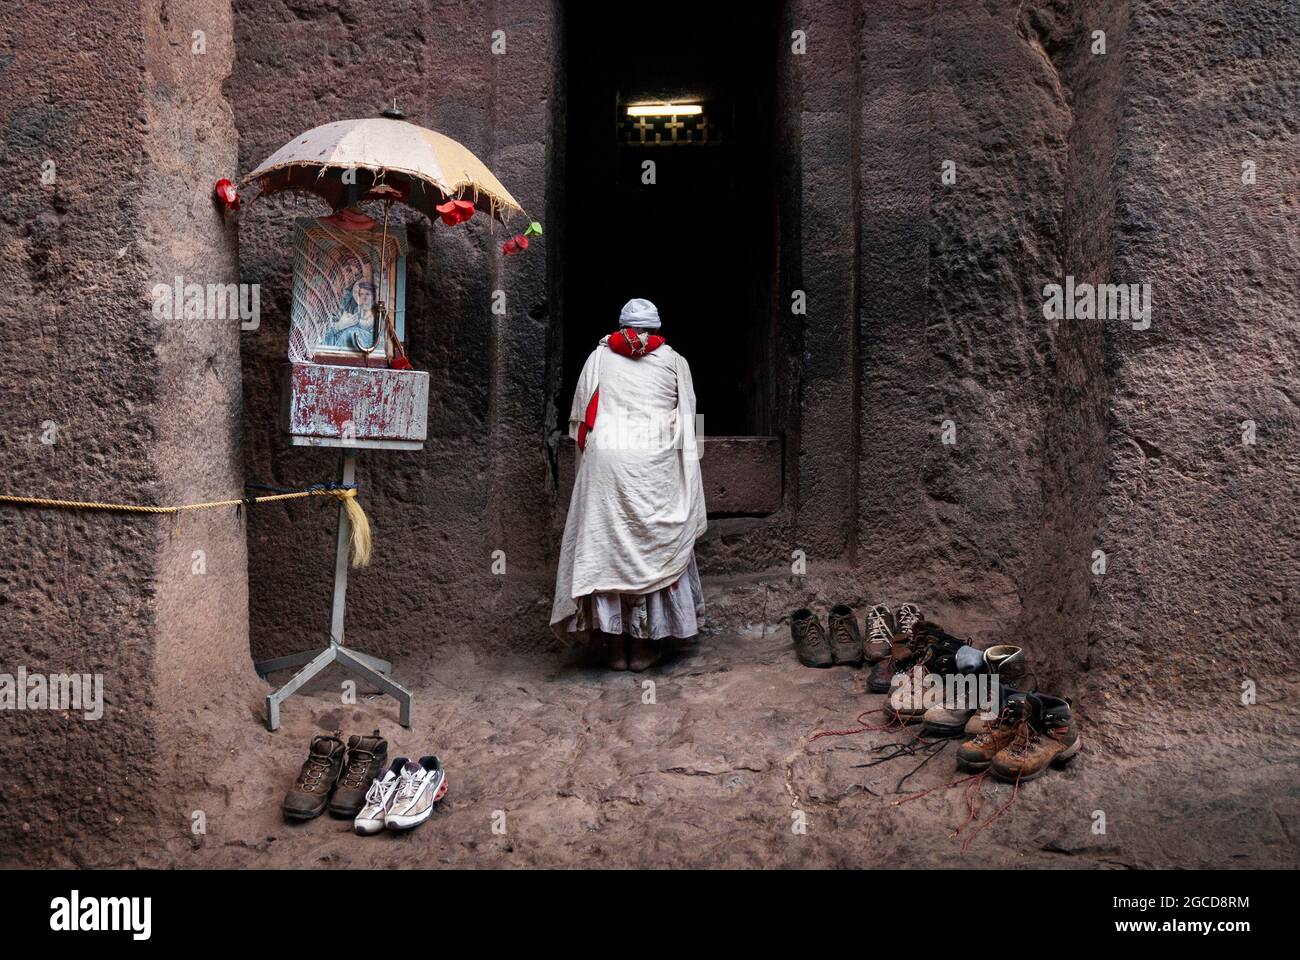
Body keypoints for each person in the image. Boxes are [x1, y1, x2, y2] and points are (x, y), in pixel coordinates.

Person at [550, 298, 707, 671]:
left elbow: (579, 423)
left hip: (607, 463)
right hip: (653, 467)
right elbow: (691, 422)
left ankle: (615, 650)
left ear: (621, 326)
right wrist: (689, 465)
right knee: (651, 549)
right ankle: (643, 648)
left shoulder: (598, 358)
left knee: (609, 551)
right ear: (655, 328)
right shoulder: (674, 361)